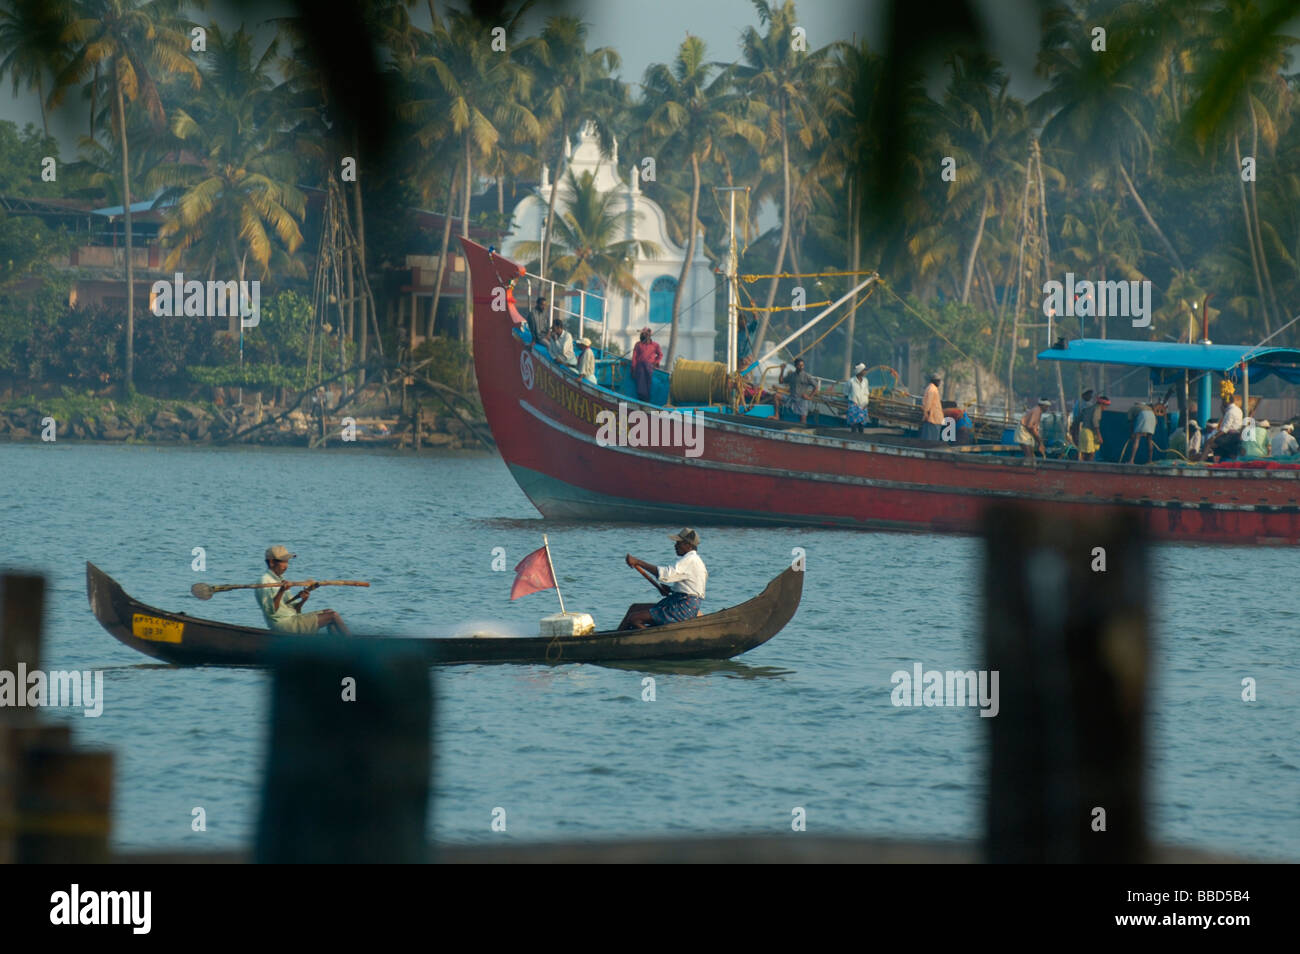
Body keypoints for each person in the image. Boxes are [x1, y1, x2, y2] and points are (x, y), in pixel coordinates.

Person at [620, 529, 707, 629]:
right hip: (677, 601)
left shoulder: (691, 560)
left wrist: (638, 562)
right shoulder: (693, 561)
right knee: (634, 609)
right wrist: (671, 590)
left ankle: (651, 639)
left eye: (678, 543)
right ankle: (616, 637)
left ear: (688, 545)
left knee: (634, 618)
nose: (675, 545)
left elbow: (666, 574)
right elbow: (691, 587)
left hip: (683, 607)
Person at [257, 545, 350, 635]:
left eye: (287, 562)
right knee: (333, 615)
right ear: (272, 562)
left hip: (292, 618)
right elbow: (271, 611)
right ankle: (351, 643)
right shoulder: (265, 581)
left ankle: (337, 644)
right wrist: (281, 591)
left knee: (329, 611)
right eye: (283, 562)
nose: (286, 566)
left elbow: (294, 609)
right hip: (283, 624)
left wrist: (303, 600)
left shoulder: (280, 579)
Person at [779, 358, 819, 424]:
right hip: (791, 398)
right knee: (776, 396)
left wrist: (809, 397)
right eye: (799, 365)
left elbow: (816, 386)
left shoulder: (806, 376)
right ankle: (777, 416)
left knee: (803, 420)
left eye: (802, 365)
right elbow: (781, 381)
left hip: (801, 400)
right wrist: (782, 370)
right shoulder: (792, 375)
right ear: (795, 366)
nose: (801, 367)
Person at [632, 327, 662, 401]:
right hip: (640, 367)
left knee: (649, 384)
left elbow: (660, 355)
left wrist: (656, 362)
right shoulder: (638, 345)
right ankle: (641, 400)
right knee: (640, 386)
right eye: (641, 334)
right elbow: (634, 358)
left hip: (649, 367)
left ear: (648, 336)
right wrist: (633, 369)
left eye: (644, 334)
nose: (642, 335)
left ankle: (647, 401)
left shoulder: (655, 345)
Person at [1079, 395, 1109, 461]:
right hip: (1088, 432)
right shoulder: (1097, 408)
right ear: (1102, 404)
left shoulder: (1088, 408)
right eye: (1105, 406)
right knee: (1091, 454)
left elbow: (1078, 419)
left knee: (1085, 453)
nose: (1106, 407)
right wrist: (1099, 436)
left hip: (1084, 432)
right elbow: (1095, 421)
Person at [843, 362, 871, 433]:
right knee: (854, 426)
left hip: (863, 406)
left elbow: (867, 393)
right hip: (854, 406)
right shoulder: (851, 381)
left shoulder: (865, 381)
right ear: (859, 371)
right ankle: (853, 440)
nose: (865, 371)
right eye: (864, 370)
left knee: (862, 426)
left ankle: (861, 440)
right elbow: (846, 393)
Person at [920, 373, 944, 441]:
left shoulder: (931, 388)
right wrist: (926, 413)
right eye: (938, 381)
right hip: (933, 417)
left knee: (930, 436)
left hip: (934, 417)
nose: (939, 383)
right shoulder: (932, 389)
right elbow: (928, 403)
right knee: (932, 438)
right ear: (934, 381)